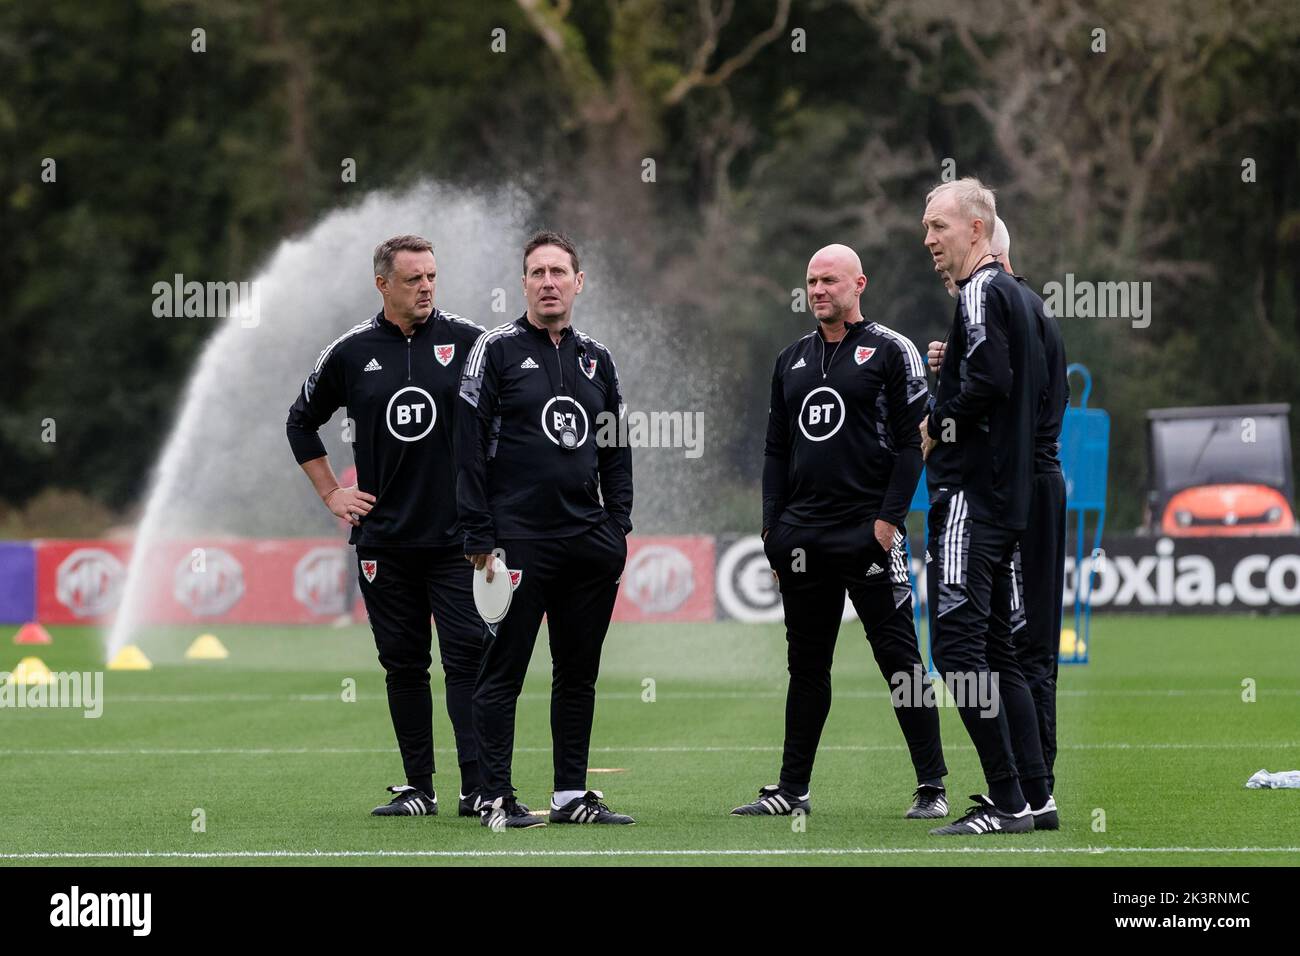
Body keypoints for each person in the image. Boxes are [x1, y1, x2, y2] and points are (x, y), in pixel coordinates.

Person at [733, 244, 949, 820]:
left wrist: (887, 521)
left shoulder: (891, 350)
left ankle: (932, 786)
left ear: (859, 284)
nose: (818, 290)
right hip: (802, 539)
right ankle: (791, 790)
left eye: (829, 280)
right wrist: (771, 531)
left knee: (900, 661)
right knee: (806, 668)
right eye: (810, 281)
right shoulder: (791, 360)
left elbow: (914, 442)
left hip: (868, 534)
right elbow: (776, 451)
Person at [286, 234, 486, 817]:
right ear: (383, 285)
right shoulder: (349, 352)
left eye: (431, 277)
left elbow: (503, 423)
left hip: (456, 540)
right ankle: (418, 788)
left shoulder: (471, 343)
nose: (426, 287)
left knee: (467, 660)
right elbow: (301, 424)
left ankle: (477, 787)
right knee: (403, 665)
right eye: (413, 279)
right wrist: (331, 492)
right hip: (384, 541)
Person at [457, 230, 634, 830]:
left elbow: (615, 446)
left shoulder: (597, 358)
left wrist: (618, 527)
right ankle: (496, 798)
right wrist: (479, 534)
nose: (549, 281)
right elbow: (468, 448)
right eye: (538, 272)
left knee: (578, 674)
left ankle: (571, 797)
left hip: (588, 543)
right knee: (501, 672)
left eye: (560, 272)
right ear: (524, 282)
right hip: (515, 543)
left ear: (578, 282)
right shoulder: (495, 349)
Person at [919, 180, 1051, 835]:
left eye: (938, 226)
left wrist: (936, 421)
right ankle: (1037, 795)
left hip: (973, 498)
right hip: (1010, 502)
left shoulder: (978, 291)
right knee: (1000, 650)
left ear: (976, 228)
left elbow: (988, 384)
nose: (929, 240)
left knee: (956, 650)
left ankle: (1007, 801)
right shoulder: (1023, 299)